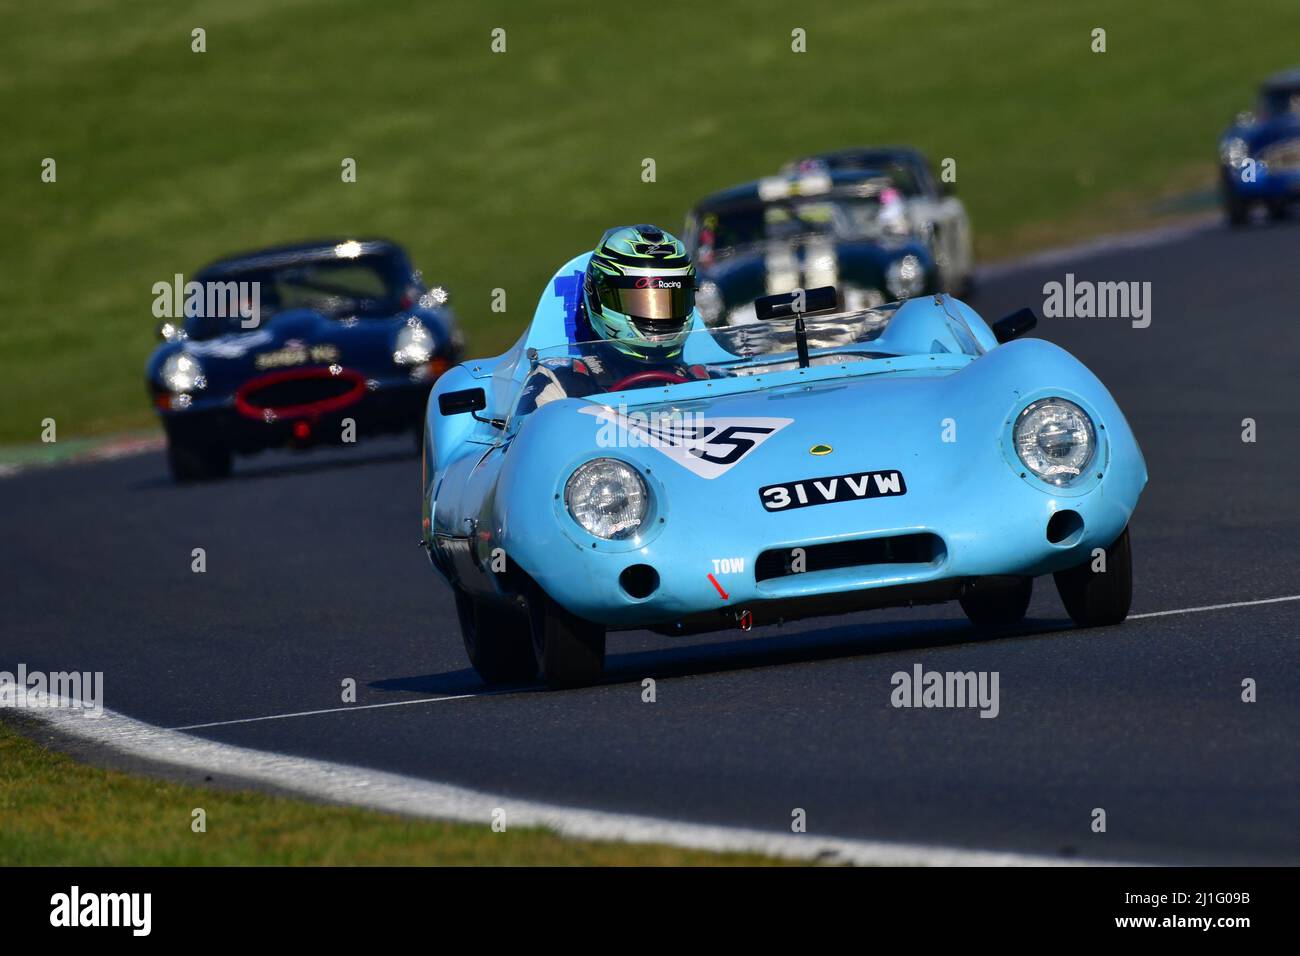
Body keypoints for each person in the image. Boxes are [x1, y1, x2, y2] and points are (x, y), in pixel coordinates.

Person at [518, 225, 714, 412]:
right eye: (641, 301)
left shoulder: (708, 379)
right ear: (598, 298)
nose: (659, 314)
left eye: (673, 301)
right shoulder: (562, 384)